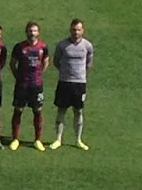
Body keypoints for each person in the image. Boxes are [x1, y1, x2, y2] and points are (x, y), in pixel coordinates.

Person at [50, 17, 94, 150]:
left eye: (78, 30)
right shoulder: (62, 45)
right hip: (64, 82)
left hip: (79, 83)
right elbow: (56, 61)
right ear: (70, 30)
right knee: (61, 110)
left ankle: (78, 140)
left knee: (78, 111)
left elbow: (89, 63)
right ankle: (58, 139)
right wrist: (65, 72)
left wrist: (80, 74)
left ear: (83, 30)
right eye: (74, 30)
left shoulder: (87, 46)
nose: (76, 32)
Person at [7, 21, 49, 151]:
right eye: (30, 31)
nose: (32, 33)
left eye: (35, 31)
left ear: (38, 32)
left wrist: (40, 75)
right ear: (26, 32)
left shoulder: (43, 47)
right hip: (22, 85)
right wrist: (18, 77)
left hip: (36, 85)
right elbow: (12, 64)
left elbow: (46, 62)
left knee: (37, 111)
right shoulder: (19, 47)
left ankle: (37, 140)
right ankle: (15, 139)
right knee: (18, 110)